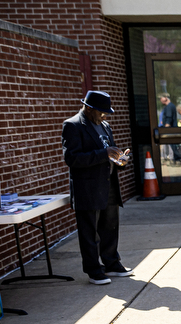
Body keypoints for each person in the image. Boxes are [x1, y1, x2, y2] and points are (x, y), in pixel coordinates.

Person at [62, 90, 134, 285]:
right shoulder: (73, 125)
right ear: (88, 108)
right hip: (87, 189)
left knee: (110, 227)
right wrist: (104, 154)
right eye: (102, 112)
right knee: (90, 232)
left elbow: (110, 153)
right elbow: (72, 158)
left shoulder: (104, 126)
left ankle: (112, 264)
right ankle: (94, 270)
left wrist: (121, 159)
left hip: (108, 185)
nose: (105, 116)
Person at [158, 93, 181, 164]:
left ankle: (177, 159)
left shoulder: (169, 106)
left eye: (161, 98)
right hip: (172, 129)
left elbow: (169, 118)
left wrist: (166, 129)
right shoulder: (170, 106)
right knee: (172, 145)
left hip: (170, 129)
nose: (160, 100)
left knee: (173, 145)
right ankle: (176, 159)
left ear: (165, 98)